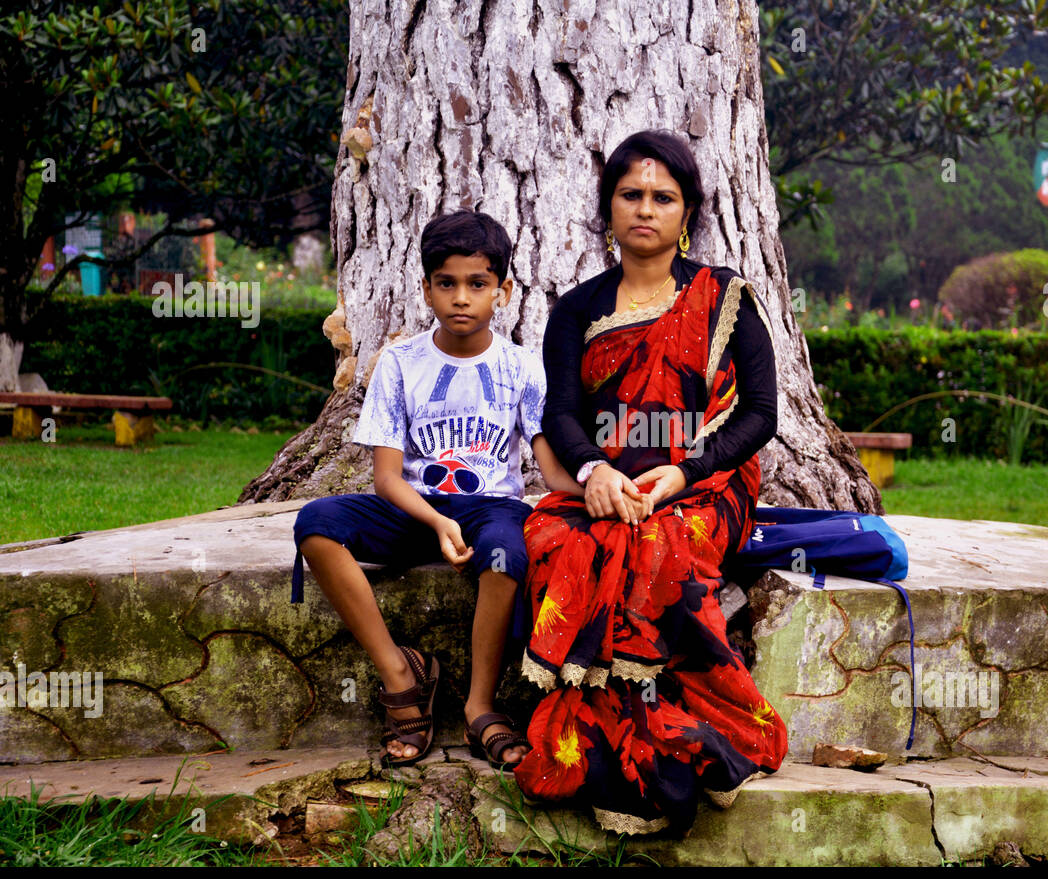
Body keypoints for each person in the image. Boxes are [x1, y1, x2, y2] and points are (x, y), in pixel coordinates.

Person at [511, 129, 789, 835]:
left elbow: (761, 414)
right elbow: (561, 414)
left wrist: (686, 470)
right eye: (630, 194)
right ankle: (622, 733)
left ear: (686, 212)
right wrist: (596, 471)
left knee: (662, 544)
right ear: (607, 207)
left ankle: (698, 715)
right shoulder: (577, 308)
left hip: (704, 482)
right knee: (556, 538)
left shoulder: (723, 297)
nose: (645, 208)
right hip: (604, 485)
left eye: (662, 197)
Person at [291, 210, 584, 768]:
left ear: (503, 291)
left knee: (505, 554)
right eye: (446, 283)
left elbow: (548, 471)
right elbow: (385, 477)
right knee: (317, 524)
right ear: (426, 289)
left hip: (490, 507)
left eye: (477, 284)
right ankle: (401, 673)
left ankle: (479, 708)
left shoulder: (523, 367)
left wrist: (597, 486)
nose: (461, 298)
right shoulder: (401, 364)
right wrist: (436, 521)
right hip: (412, 507)